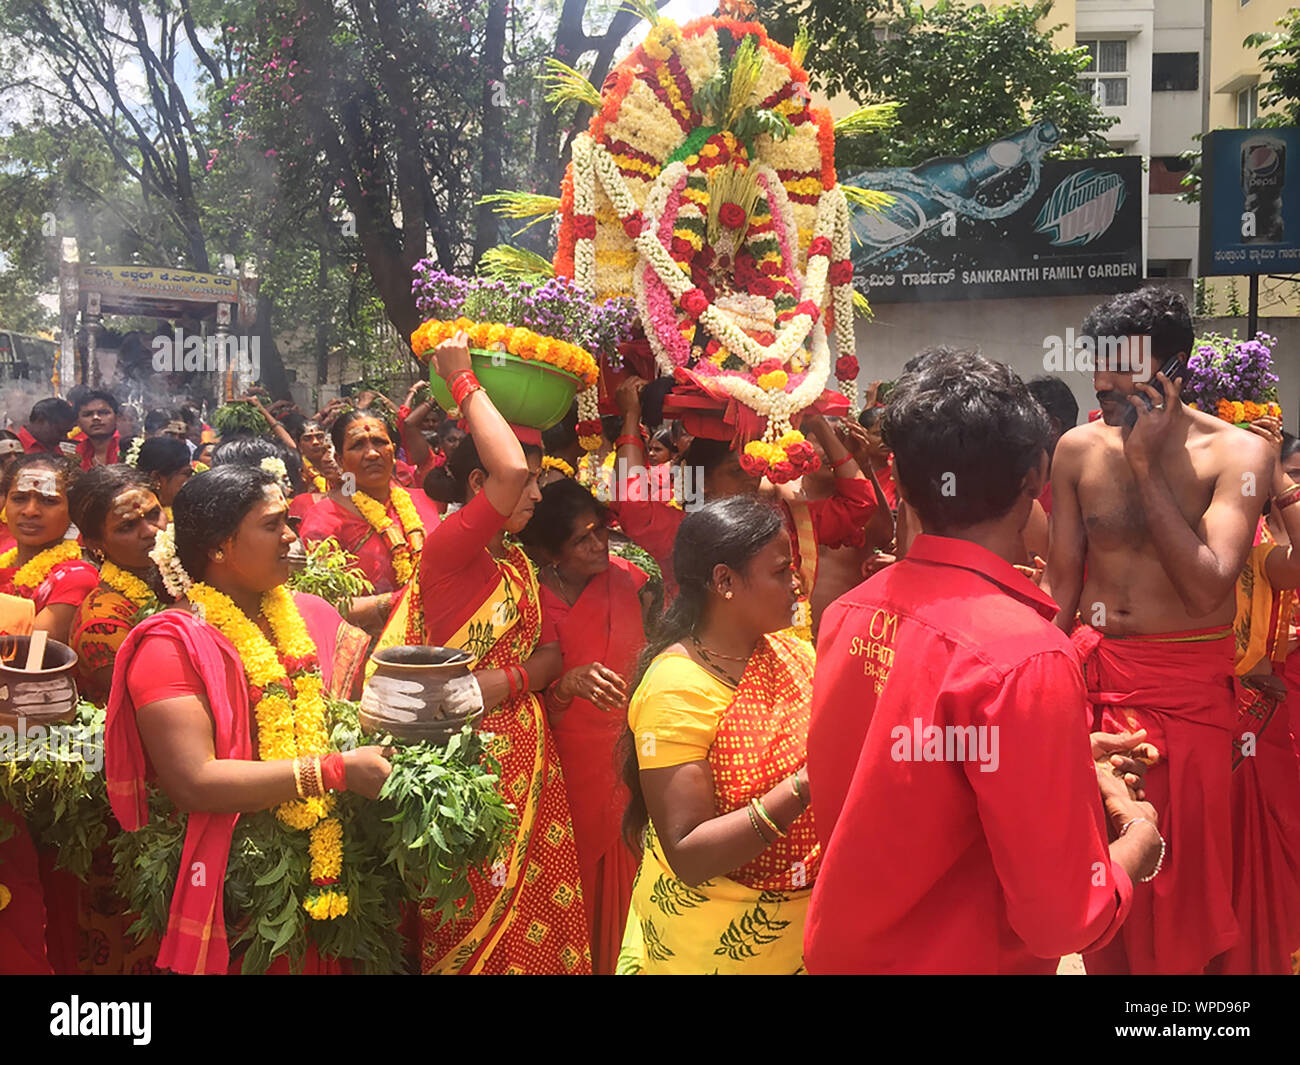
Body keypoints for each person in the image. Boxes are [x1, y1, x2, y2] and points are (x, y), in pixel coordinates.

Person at [806, 351, 1162, 975]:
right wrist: (1137, 842)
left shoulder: (847, 614)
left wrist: (1065, 754)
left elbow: (910, 775)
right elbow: (1062, 919)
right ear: (1037, 472)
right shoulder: (1026, 656)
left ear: (904, 482)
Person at [1043, 286, 1273, 975]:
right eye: (1097, 362)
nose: (1104, 381)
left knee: (1185, 888)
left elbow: (1209, 579)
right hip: (1097, 689)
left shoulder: (1238, 456)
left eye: (1123, 366)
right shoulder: (1076, 450)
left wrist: (1143, 464)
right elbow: (1060, 587)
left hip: (1191, 702)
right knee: (1105, 879)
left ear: (1173, 367)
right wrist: (1041, 691)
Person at [104, 465, 385, 974]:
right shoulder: (170, 645)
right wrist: (333, 771)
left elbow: (362, 712)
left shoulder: (310, 613)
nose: (290, 538)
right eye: (272, 525)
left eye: (289, 522)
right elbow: (195, 780)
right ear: (219, 548)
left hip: (331, 873)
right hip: (239, 885)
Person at [379, 329, 591, 975]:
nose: (535, 495)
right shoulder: (451, 552)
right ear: (480, 481)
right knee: (478, 929)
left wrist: (507, 681)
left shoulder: (516, 561)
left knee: (543, 923)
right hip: (467, 772)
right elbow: (510, 469)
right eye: (528, 484)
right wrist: (464, 381)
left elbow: (551, 655)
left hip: (528, 757)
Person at [618, 495, 815, 974]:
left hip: (801, 934)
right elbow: (688, 853)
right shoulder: (677, 690)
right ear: (725, 581)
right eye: (780, 571)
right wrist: (804, 788)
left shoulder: (791, 652)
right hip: (707, 945)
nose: (796, 583)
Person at [611, 377, 889, 613]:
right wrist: (631, 419)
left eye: (755, 471)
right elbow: (631, 500)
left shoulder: (786, 523)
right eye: (736, 472)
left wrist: (818, 425)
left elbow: (860, 503)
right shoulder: (682, 531)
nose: (752, 482)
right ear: (703, 480)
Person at [520, 478, 649, 974]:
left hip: (627, 753)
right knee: (574, 874)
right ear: (551, 552)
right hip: (563, 765)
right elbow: (527, 695)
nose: (599, 546)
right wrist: (565, 686)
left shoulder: (628, 580)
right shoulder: (531, 600)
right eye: (581, 539)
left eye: (601, 532)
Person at [1208, 421, 1300, 974]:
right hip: (1199, 711)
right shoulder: (1188, 539)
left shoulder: (1266, 552)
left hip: (1256, 720)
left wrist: (1280, 486)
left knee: (1262, 855)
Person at [297, 410, 437, 633]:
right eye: (358, 445)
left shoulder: (423, 502)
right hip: (370, 653)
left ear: (394, 451)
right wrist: (396, 602)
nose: (372, 454)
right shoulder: (324, 519)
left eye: (380, 442)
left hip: (435, 642)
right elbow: (318, 605)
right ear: (340, 460)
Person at [67, 465, 170, 703]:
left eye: (155, 514)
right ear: (95, 544)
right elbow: (157, 697)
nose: (150, 531)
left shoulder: (189, 575)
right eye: (127, 526)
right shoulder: (101, 621)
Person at [0, 454, 98, 645]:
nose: (30, 511)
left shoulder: (76, 578)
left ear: (74, 511)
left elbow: (29, 653)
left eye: (48, 501)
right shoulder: (5, 558)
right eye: (19, 498)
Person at [134, 437, 194, 519]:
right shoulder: (137, 516)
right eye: (186, 474)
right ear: (156, 478)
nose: (192, 481)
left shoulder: (189, 512)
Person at [73, 390, 121, 470]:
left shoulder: (130, 448)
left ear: (117, 418)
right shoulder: (76, 453)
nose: (96, 418)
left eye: (103, 412)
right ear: (78, 422)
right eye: (88, 414)